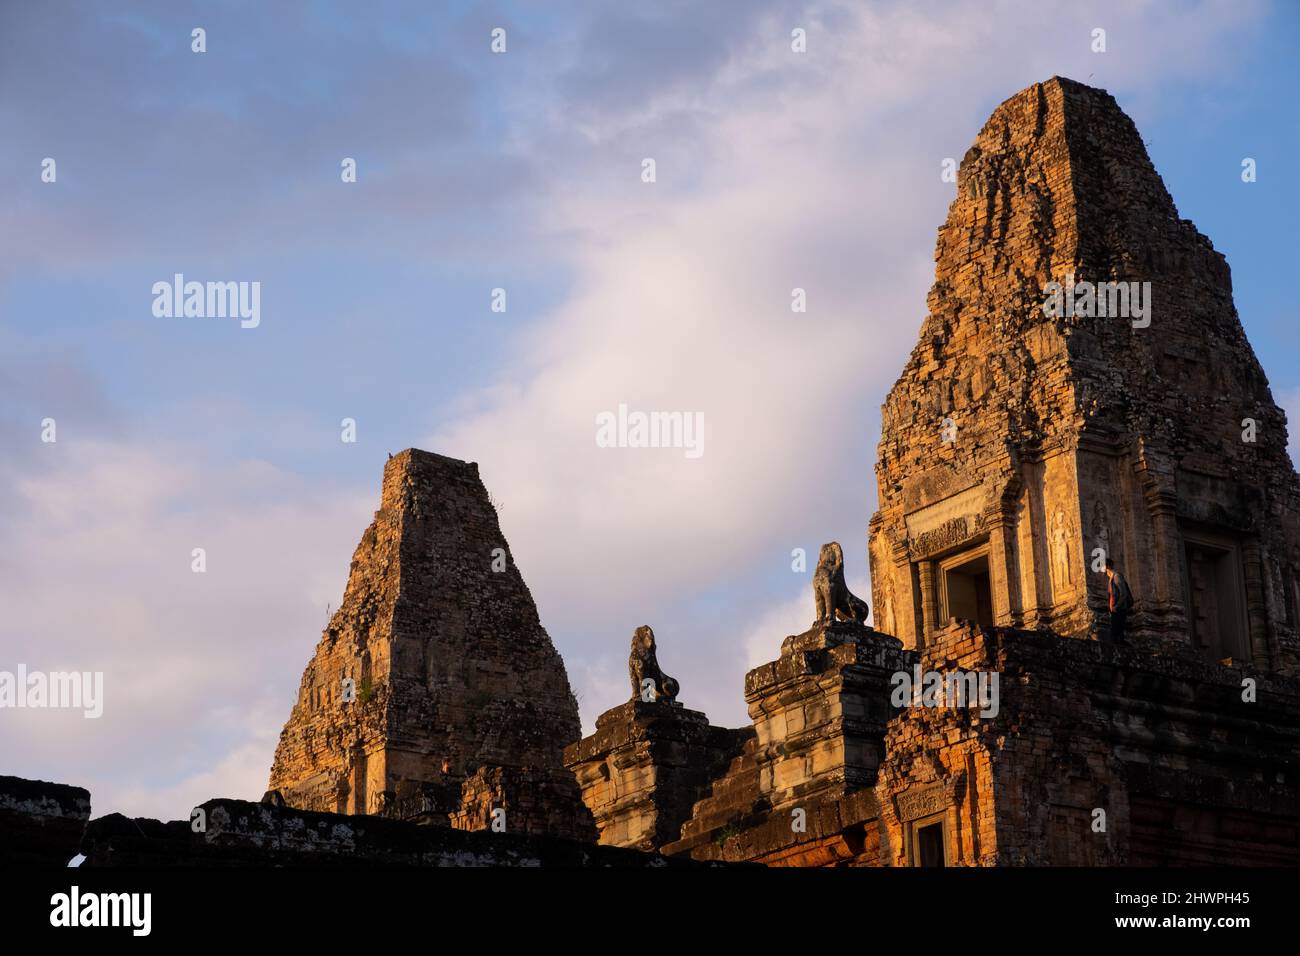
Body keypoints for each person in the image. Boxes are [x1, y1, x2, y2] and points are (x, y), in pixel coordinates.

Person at [1105, 558, 1133, 643]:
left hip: (1119, 609)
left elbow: (1123, 593)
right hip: (1115, 610)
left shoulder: (1117, 576)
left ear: (1108, 566)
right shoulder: (1111, 579)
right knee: (1116, 635)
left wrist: (1116, 606)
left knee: (1116, 635)